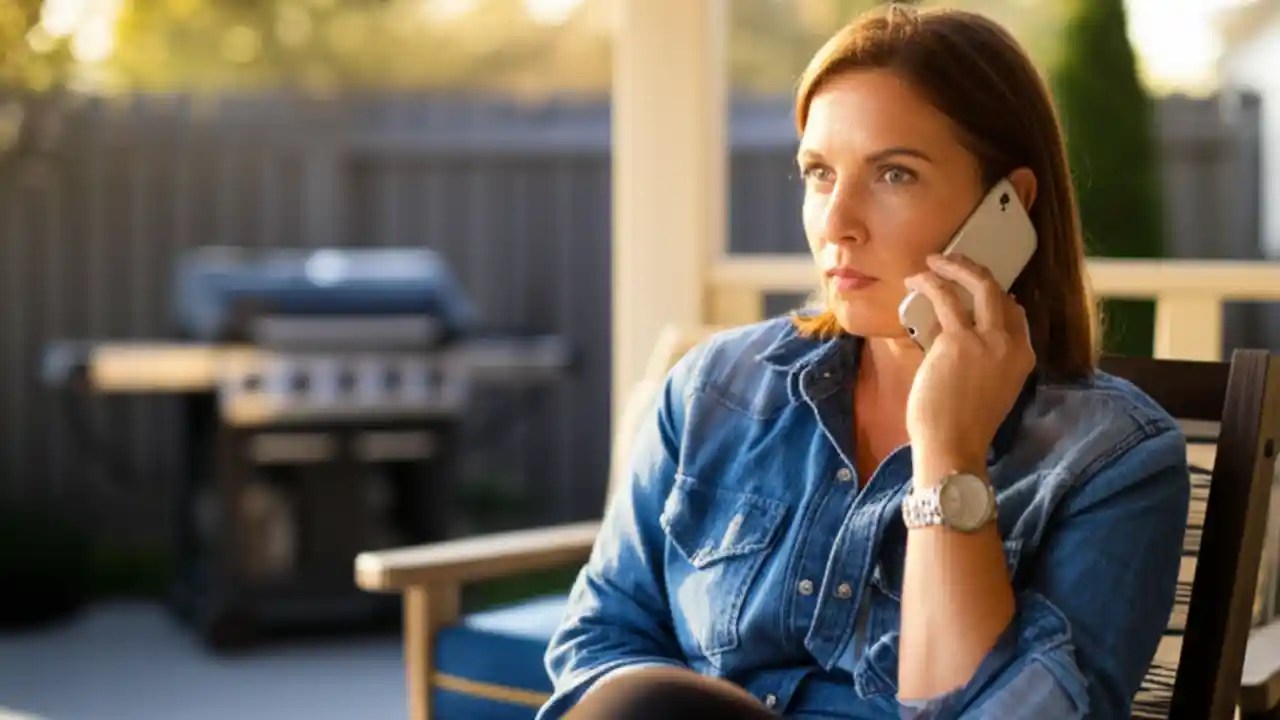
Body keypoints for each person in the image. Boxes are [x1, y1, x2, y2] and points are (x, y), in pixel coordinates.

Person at [538, 6, 1189, 719]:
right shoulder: (715, 389)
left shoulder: (1114, 461)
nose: (837, 223)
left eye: (894, 174)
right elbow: (601, 639)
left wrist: (949, 452)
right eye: (819, 173)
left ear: (1011, 203)